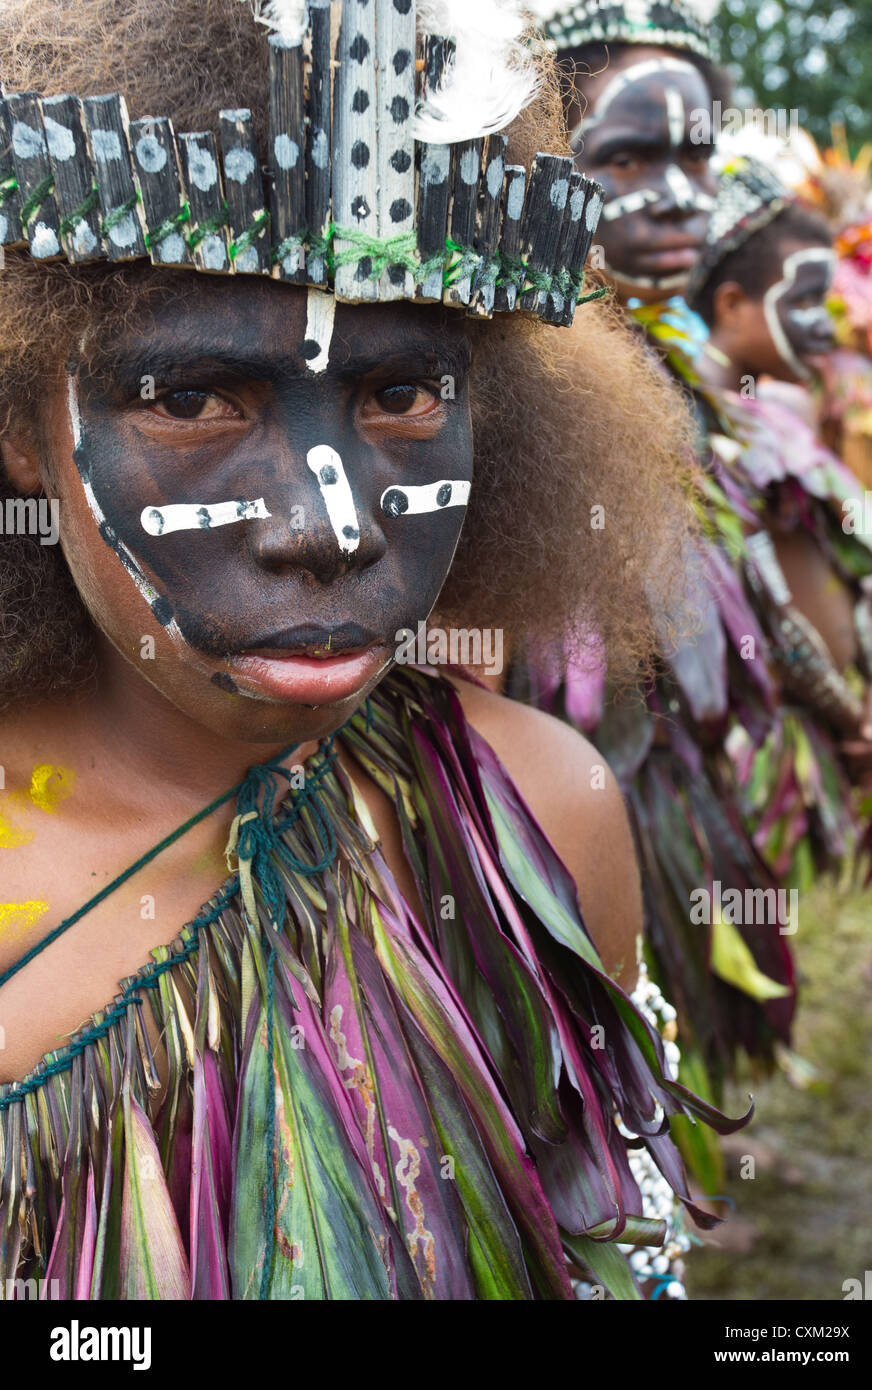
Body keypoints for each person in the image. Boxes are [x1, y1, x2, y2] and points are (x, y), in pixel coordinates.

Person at [0, 0, 739, 1301]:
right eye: (188, 400)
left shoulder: (536, 816)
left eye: (399, 393)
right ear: (23, 434)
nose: (326, 525)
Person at [539, 0, 796, 1097]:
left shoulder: (684, 354)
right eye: (629, 157)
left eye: (695, 156)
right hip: (527, 806)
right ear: (538, 160)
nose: (680, 195)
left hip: (663, 777)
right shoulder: (502, 364)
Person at [690, 158, 872, 891]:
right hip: (751, 741)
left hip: (829, 721)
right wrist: (854, 722)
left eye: (828, 300)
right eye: (804, 299)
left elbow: (847, 560)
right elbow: (769, 611)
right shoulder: (694, 434)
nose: (822, 322)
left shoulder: (781, 412)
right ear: (734, 302)